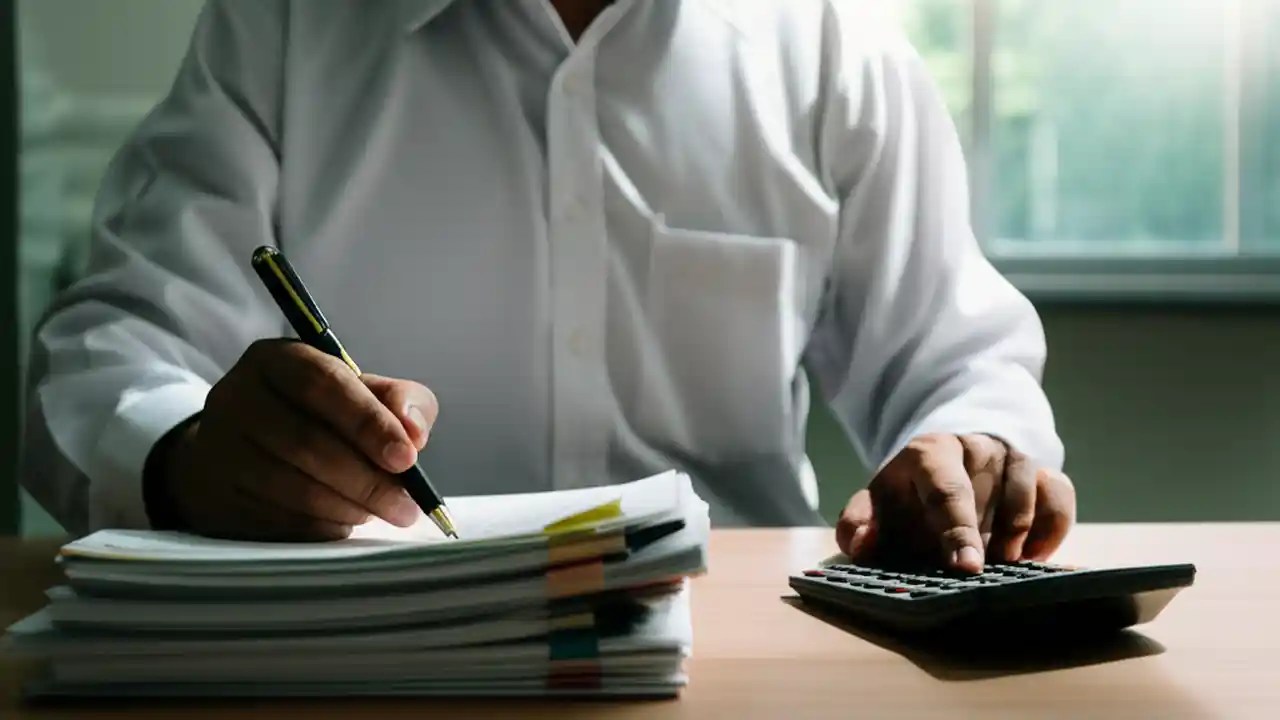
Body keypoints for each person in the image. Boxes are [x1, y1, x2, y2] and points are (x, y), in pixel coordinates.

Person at [22, 0, 1075, 574]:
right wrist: (186, 458)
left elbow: (958, 366)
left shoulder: (833, 46)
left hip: (743, 662)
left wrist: (971, 453)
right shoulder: (283, 28)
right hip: (368, 664)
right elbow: (107, 349)